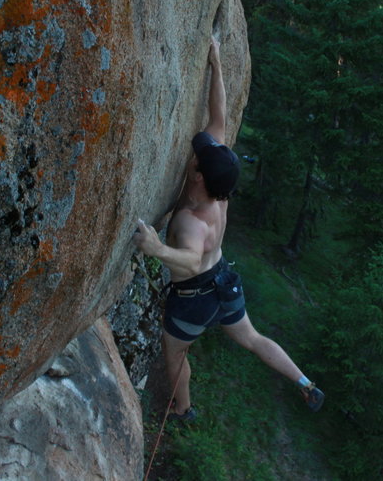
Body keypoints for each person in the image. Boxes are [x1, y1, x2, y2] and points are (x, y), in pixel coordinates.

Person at [133, 37, 324, 420]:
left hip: (194, 297)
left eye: (199, 157)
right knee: (252, 338)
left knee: (175, 356)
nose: (198, 151)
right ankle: (305, 383)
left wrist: (156, 249)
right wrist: (216, 62)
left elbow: (188, 260)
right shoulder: (220, 183)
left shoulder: (191, 219)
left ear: (200, 176)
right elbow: (218, 116)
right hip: (224, 282)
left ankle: (183, 409)